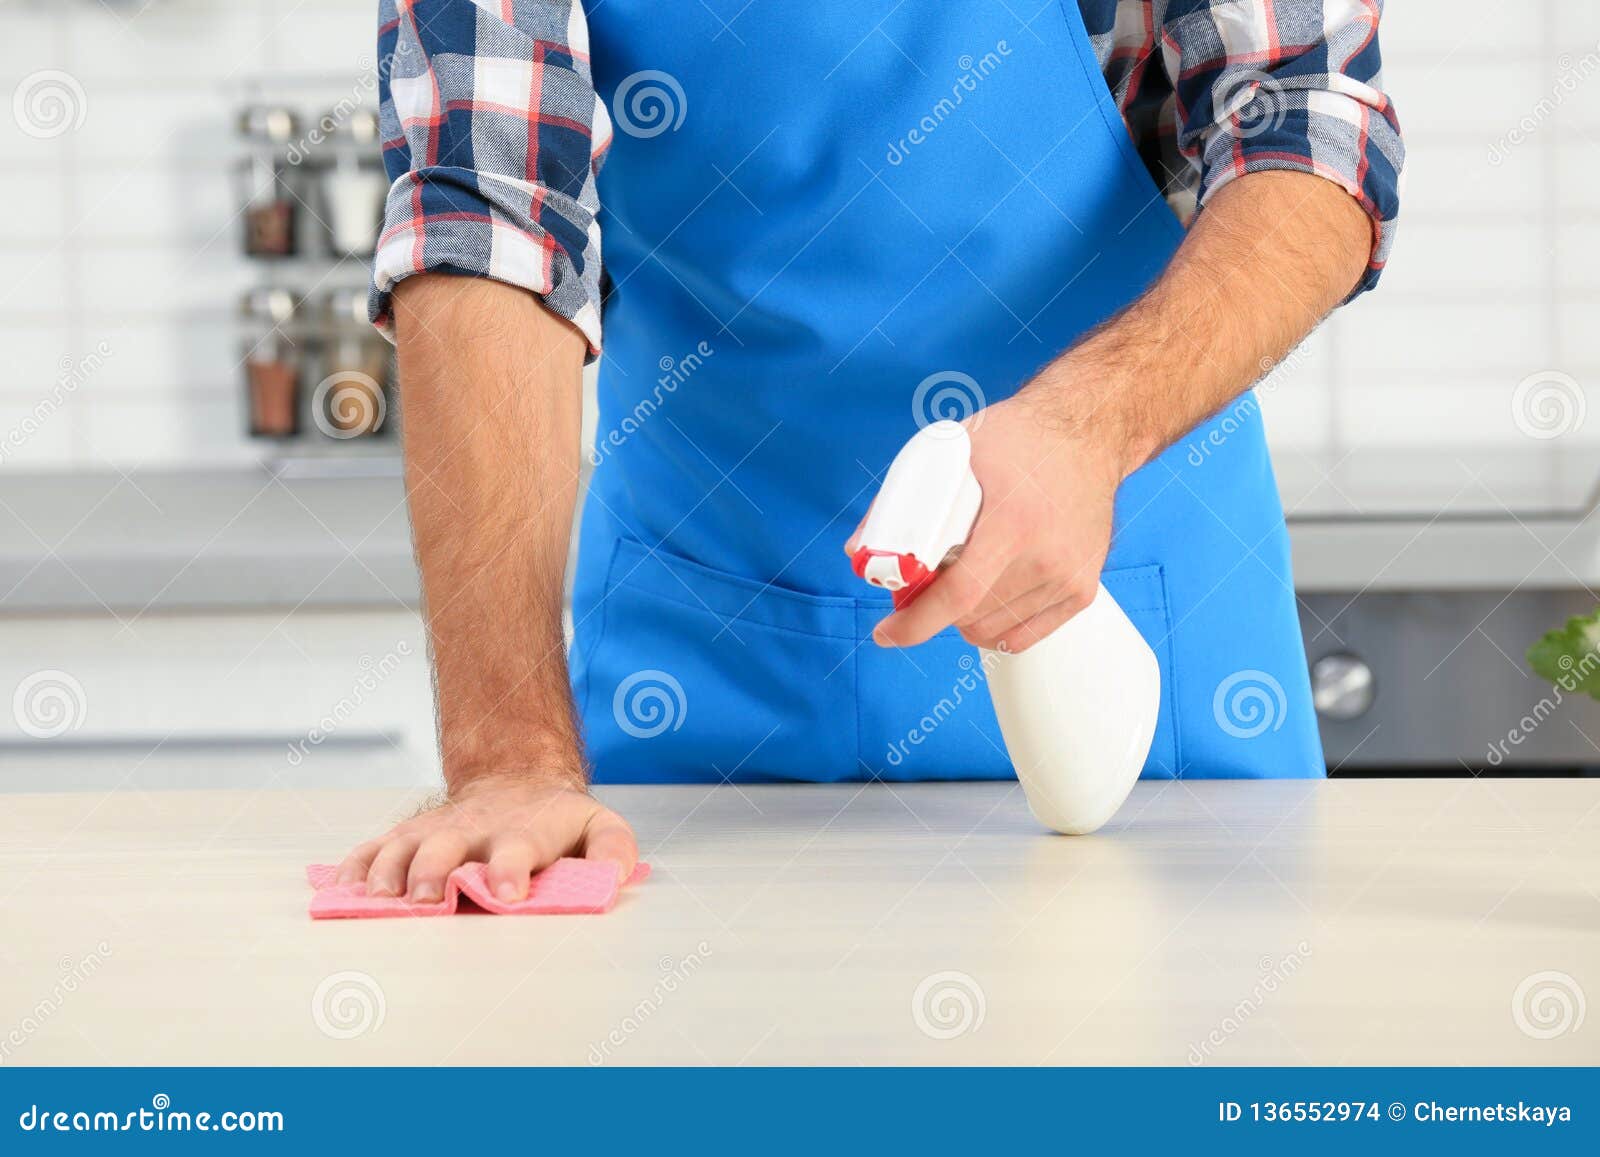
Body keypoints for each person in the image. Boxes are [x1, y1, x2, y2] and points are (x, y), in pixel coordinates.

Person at [339, 0, 1404, 902]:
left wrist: (1087, 422)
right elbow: (484, 222)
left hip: (1136, 617)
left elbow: (1305, 125)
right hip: (707, 662)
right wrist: (510, 764)